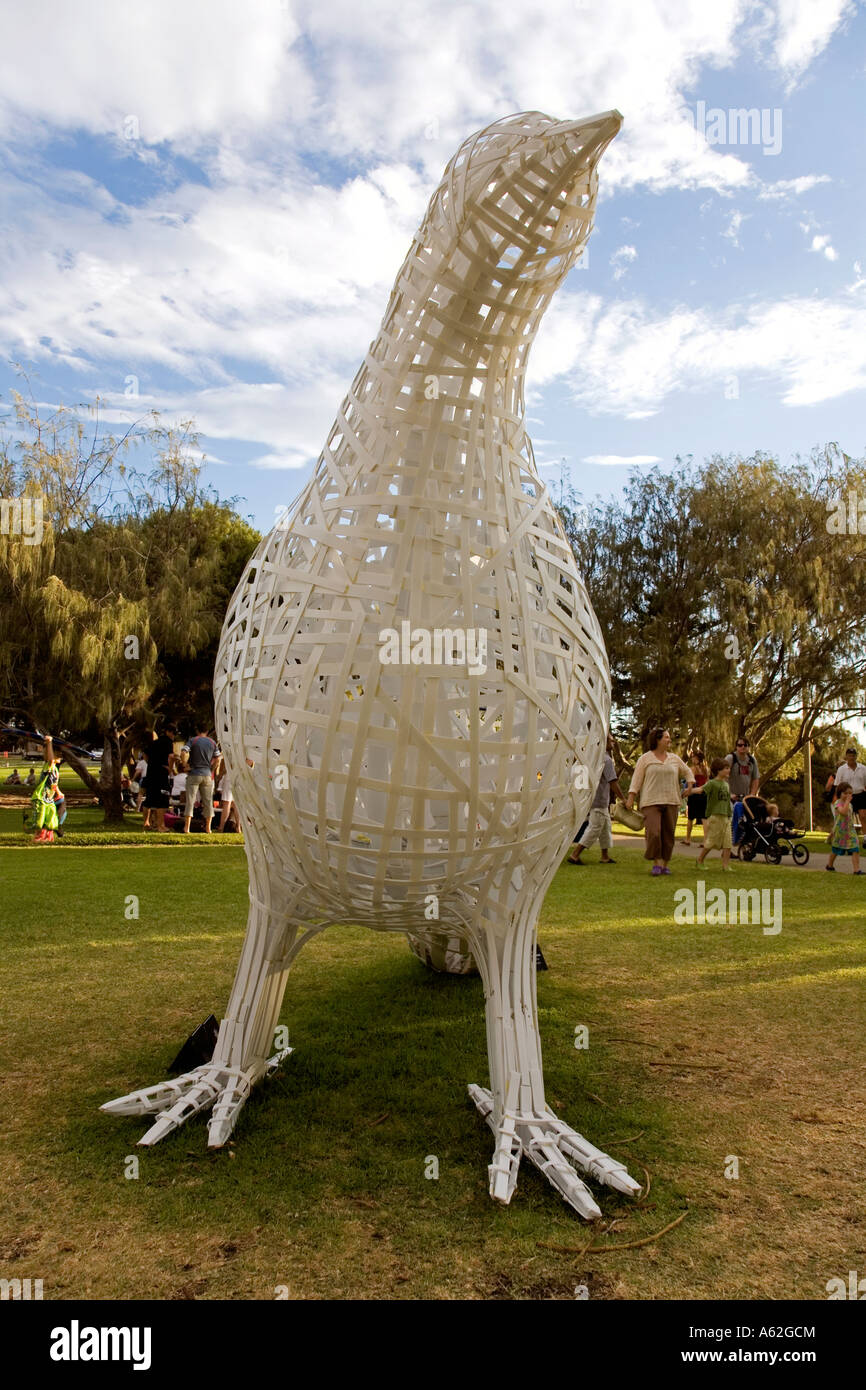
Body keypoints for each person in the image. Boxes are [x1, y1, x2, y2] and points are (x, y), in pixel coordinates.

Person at [625, 728, 695, 875]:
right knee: (654, 833)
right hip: (650, 801)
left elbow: (688, 771)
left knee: (668, 834)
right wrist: (631, 798)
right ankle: (656, 862)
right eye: (666, 737)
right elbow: (636, 779)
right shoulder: (645, 758)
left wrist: (689, 785)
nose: (669, 740)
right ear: (657, 740)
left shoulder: (674, 759)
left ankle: (664, 864)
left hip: (671, 800)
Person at [568, 734, 623, 864]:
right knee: (595, 827)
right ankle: (575, 854)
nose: (613, 741)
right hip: (599, 801)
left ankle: (605, 856)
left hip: (592, 799)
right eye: (610, 740)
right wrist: (623, 798)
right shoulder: (606, 760)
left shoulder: (591, 758)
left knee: (605, 828)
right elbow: (613, 781)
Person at [696, 759, 733, 870]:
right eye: (726, 768)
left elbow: (726, 801)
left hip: (726, 817)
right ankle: (700, 860)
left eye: (728, 768)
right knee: (711, 841)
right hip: (715, 816)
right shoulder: (712, 783)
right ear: (718, 770)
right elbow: (701, 790)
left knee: (728, 842)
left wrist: (729, 814)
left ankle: (725, 866)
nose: (728, 770)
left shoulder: (726, 785)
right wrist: (689, 791)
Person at [182, 725, 219, 835]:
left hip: (194, 773)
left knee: (190, 801)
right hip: (207, 774)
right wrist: (211, 770)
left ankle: (187, 828)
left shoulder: (193, 740)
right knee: (208, 802)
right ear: (207, 731)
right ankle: (208, 828)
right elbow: (217, 759)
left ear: (197, 730)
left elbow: (184, 752)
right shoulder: (213, 742)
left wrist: (185, 765)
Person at [826, 747, 866, 836]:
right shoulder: (841, 769)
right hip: (846, 796)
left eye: (853, 755)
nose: (851, 758)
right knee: (846, 818)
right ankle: (844, 836)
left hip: (860, 794)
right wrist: (837, 799)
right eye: (849, 756)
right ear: (846, 757)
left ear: (856, 756)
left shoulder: (863, 768)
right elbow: (837, 785)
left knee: (863, 816)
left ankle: (865, 837)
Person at [142, 726, 176, 832]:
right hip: (161, 774)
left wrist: (151, 763)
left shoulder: (154, 742)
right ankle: (161, 825)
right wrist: (170, 769)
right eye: (173, 733)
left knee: (149, 799)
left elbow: (145, 754)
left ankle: (146, 823)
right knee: (162, 800)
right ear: (168, 731)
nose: (174, 736)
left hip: (151, 773)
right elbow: (170, 756)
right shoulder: (168, 742)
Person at [826, 782, 862, 874]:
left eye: (850, 793)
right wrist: (846, 802)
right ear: (840, 793)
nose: (848, 795)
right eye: (845, 793)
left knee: (855, 848)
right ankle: (830, 865)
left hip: (850, 830)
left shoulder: (850, 805)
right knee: (836, 849)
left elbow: (849, 816)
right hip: (840, 831)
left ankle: (856, 870)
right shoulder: (837, 803)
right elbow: (843, 812)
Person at [683, 750, 708, 846]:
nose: (692, 759)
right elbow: (707, 781)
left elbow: (691, 781)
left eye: (693, 757)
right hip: (703, 794)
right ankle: (705, 841)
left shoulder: (693, 769)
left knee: (690, 817)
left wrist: (686, 791)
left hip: (694, 794)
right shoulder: (706, 769)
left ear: (697, 759)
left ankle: (688, 839)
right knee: (704, 818)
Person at [725, 738, 759, 802]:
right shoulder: (730, 758)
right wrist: (729, 794)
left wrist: (752, 795)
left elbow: (755, 779)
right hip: (731, 798)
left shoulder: (752, 760)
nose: (743, 747)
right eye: (740, 745)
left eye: (745, 745)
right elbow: (722, 776)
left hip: (745, 798)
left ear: (748, 747)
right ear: (736, 747)